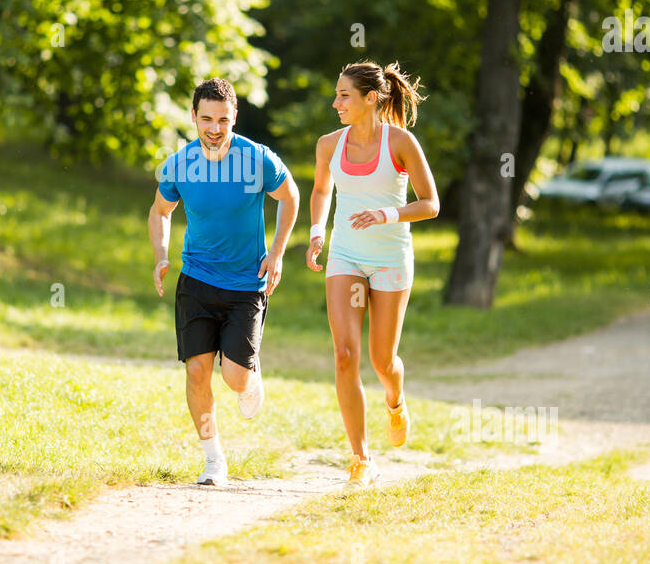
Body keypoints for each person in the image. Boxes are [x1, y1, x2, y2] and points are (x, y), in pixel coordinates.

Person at [148, 78, 299, 485]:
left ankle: (248, 373)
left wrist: (278, 251)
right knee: (196, 371)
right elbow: (161, 210)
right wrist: (162, 256)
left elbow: (290, 196)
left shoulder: (257, 160)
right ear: (194, 118)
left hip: (246, 284)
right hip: (196, 279)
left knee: (235, 378)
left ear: (235, 118)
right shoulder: (180, 162)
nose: (214, 128)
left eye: (223, 120)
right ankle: (214, 460)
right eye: (206, 119)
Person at [306, 62, 440, 487]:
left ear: (370, 98)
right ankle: (361, 459)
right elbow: (322, 189)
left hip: (390, 259)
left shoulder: (400, 142)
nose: (336, 103)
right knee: (345, 355)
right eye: (336, 94)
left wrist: (386, 214)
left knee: (383, 360)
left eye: (344, 95)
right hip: (346, 255)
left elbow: (431, 203)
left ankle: (395, 401)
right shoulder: (329, 144)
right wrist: (316, 233)